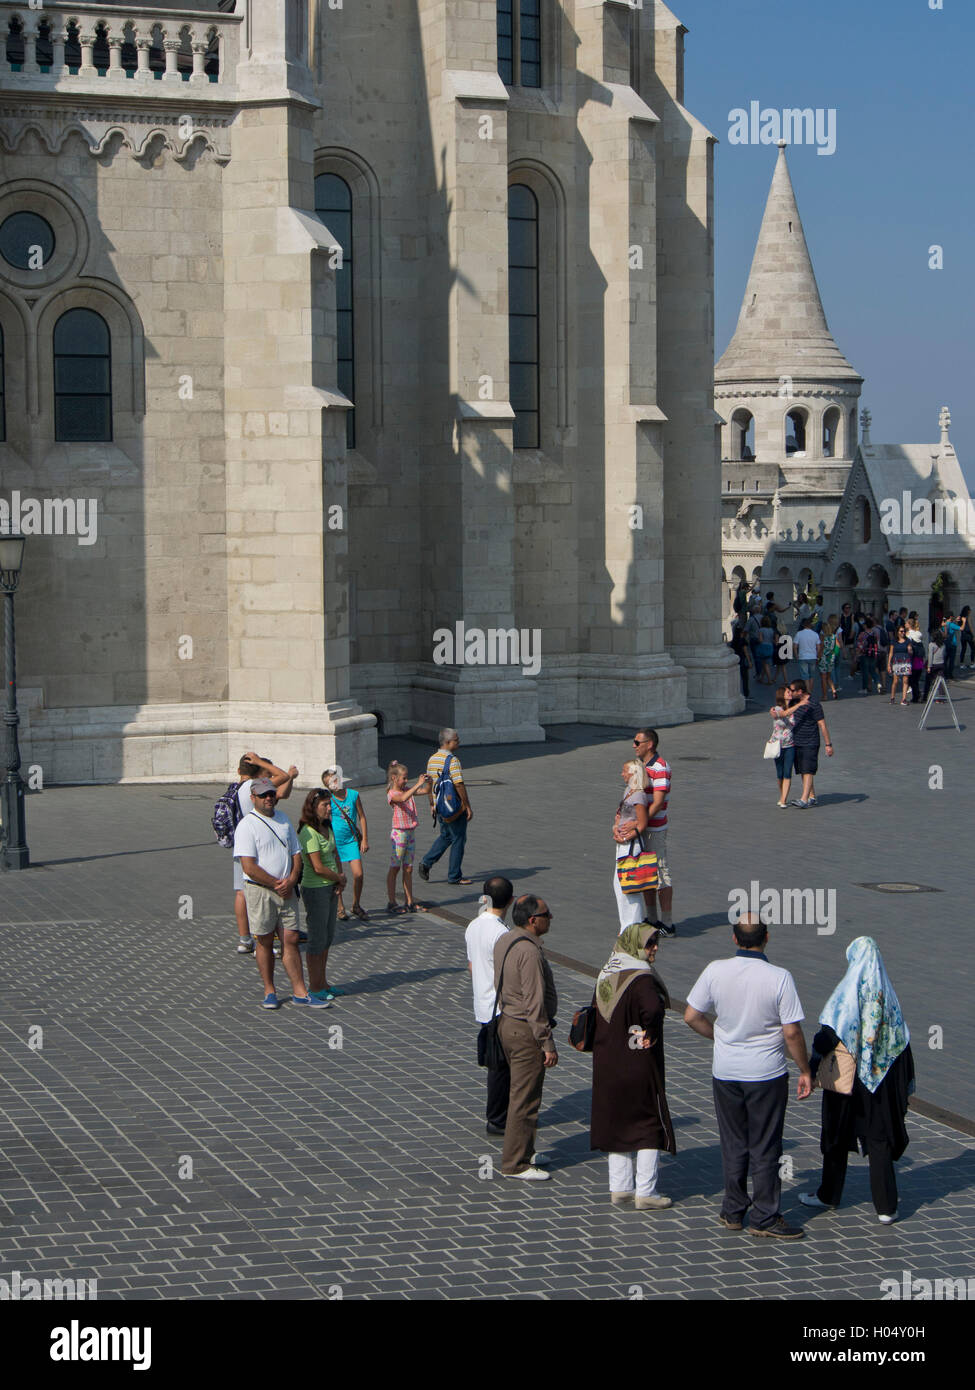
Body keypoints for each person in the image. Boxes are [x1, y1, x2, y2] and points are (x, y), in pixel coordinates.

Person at [684, 914, 811, 1239]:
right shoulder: (779, 977)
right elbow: (792, 1032)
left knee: (733, 1142)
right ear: (766, 937)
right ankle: (765, 1216)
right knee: (765, 1145)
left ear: (734, 938)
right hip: (766, 1074)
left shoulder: (715, 970)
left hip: (726, 1072)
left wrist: (718, 1037)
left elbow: (691, 1015)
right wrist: (805, 1069)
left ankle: (733, 1210)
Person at [799, 937, 915, 1225]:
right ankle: (886, 1207)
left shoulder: (847, 992)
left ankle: (829, 1194)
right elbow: (902, 1043)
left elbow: (829, 1034)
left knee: (836, 1135)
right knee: (879, 1141)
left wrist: (811, 1068)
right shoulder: (888, 998)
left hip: (846, 1080)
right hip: (880, 1082)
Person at [590, 925, 675, 1209]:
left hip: (607, 1060)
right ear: (637, 945)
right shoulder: (641, 978)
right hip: (636, 1061)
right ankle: (646, 1192)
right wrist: (648, 1032)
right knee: (647, 1122)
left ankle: (620, 1187)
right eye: (650, 944)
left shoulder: (608, 969)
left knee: (617, 1120)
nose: (655, 948)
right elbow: (651, 1008)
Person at [233, 780, 327, 1009]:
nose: (269, 798)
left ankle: (300, 991)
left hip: (287, 890)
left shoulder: (284, 818)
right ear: (253, 797)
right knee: (264, 940)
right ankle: (269, 990)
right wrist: (276, 883)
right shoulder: (247, 825)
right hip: (261, 890)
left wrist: (293, 878)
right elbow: (248, 866)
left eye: (272, 794)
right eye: (264, 795)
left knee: (291, 939)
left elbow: (296, 853)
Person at [494, 894, 558, 1180]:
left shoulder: (506, 939)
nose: (550, 918)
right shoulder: (530, 952)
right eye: (546, 914)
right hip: (525, 1031)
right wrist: (546, 1042)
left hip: (507, 1022)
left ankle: (526, 1149)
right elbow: (534, 1002)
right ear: (533, 920)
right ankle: (515, 1163)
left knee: (526, 1093)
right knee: (523, 1097)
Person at [233, 753, 297, 954]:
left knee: (242, 893)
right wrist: (262, 763)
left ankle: (245, 939)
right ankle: (268, 941)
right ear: (261, 775)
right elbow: (283, 777)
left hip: (242, 846)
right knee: (266, 895)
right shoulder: (251, 789)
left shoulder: (237, 788)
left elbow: (282, 793)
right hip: (258, 847)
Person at [465, 876, 514, 1136]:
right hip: (501, 1007)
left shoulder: (473, 926)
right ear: (511, 901)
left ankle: (499, 1115)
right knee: (502, 1068)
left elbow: (473, 966)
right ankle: (498, 1118)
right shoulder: (502, 932)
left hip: (482, 1004)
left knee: (497, 1065)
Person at [296, 789, 345, 1002]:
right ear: (313, 807)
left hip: (331, 886)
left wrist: (339, 878)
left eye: (329, 805)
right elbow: (317, 867)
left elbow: (334, 854)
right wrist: (338, 877)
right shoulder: (308, 832)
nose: (328, 808)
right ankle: (315, 986)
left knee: (327, 937)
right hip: (316, 889)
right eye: (324, 805)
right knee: (316, 939)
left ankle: (323, 983)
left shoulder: (327, 827)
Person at [629, 729, 676, 937]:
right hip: (642, 827)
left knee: (660, 873)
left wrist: (642, 822)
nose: (634, 745)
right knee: (647, 874)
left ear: (650, 744)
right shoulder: (640, 766)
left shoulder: (661, 767)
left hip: (654, 829)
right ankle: (652, 918)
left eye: (637, 742)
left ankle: (667, 922)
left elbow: (657, 802)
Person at [418, 728, 473, 886]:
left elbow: (430, 783)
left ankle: (426, 863)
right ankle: (454, 875)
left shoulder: (432, 759)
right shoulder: (453, 760)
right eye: (456, 739)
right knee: (458, 838)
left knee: (446, 836)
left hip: (440, 807)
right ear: (448, 743)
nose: (459, 742)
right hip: (454, 807)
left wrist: (432, 804)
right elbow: (459, 784)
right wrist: (467, 805)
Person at [779, 679, 833, 808]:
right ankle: (812, 796)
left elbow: (822, 725)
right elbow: (783, 711)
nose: (790, 693)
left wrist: (828, 744)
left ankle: (804, 800)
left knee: (808, 770)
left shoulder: (814, 704)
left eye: (792, 690)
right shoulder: (795, 701)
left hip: (810, 741)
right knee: (803, 770)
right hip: (796, 741)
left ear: (800, 691)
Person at [323, 769, 369, 920]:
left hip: (351, 841)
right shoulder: (329, 800)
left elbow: (362, 817)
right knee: (338, 876)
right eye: (330, 783)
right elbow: (325, 820)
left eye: (335, 780)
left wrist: (364, 839)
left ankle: (356, 905)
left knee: (359, 874)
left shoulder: (353, 795)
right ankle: (340, 906)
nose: (334, 785)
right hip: (336, 842)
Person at [384, 761, 430, 913]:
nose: (406, 781)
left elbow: (425, 791)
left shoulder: (406, 789)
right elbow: (403, 798)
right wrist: (418, 784)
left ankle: (409, 901)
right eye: (403, 778)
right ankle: (391, 902)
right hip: (399, 834)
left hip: (410, 832)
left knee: (408, 868)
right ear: (394, 778)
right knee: (395, 867)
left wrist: (429, 782)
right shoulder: (392, 793)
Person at [612, 759, 650, 932]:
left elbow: (642, 823)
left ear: (634, 773)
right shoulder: (628, 791)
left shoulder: (638, 796)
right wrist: (616, 828)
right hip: (623, 843)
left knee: (630, 887)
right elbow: (620, 815)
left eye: (625, 771)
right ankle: (626, 925)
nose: (622, 774)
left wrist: (628, 836)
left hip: (631, 845)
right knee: (620, 885)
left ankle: (632, 926)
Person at [769, 686, 795, 809]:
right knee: (780, 774)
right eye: (788, 692)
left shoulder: (794, 708)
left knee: (787, 772)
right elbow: (781, 715)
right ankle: (782, 795)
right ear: (782, 695)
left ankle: (784, 799)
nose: (790, 694)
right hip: (777, 745)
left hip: (790, 745)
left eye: (791, 692)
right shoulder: (777, 708)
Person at [887, 624, 914, 706]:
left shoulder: (908, 640)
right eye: (901, 631)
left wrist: (910, 650)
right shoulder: (894, 641)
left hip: (906, 661)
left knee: (905, 681)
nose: (903, 633)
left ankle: (904, 699)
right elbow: (891, 653)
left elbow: (911, 652)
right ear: (898, 632)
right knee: (895, 681)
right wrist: (889, 664)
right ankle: (892, 697)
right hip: (897, 661)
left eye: (904, 631)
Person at [855, 616, 881, 696]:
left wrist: (857, 655)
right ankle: (878, 682)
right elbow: (877, 643)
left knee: (865, 672)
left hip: (864, 654)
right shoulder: (875, 633)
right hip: (873, 653)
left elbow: (860, 645)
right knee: (872, 670)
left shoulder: (862, 634)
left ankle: (864, 688)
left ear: (865, 625)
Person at [729, 614, 753, 699]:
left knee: (736, 678)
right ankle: (746, 694)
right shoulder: (743, 641)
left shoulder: (733, 642)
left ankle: (735, 692)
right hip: (743, 660)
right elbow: (746, 651)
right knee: (745, 678)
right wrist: (749, 661)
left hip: (736, 660)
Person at [817, 615, 839, 701]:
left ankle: (825, 695)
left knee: (823, 678)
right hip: (831, 657)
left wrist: (818, 657)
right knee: (829, 677)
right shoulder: (833, 636)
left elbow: (821, 648)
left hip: (823, 658)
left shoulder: (823, 637)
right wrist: (834, 652)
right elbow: (838, 646)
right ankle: (834, 690)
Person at [794, 618, 820, 685]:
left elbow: (795, 647)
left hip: (802, 656)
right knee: (811, 676)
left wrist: (796, 656)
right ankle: (810, 692)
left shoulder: (799, 634)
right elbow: (818, 647)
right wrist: (818, 657)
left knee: (805, 676)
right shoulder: (815, 634)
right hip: (813, 656)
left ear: (803, 625)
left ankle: (807, 692)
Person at [906, 613, 925, 704]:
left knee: (912, 680)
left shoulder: (909, 635)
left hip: (912, 660)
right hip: (920, 660)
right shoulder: (919, 634)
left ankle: (917, 696)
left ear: (909, 625)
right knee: (916, 680)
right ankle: (917, 695)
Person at [924, 628, 946, 701]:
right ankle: (942, 698)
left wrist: (929, 667)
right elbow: (943, 654)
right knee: (941, 682)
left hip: (934, 665)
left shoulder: (931, 644)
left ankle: (925, 697)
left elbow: (930, 656)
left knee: (928, 681)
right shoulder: (943, 644)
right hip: (941, 664)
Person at [756, 614, 775, 685]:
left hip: (763, 647)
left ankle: (769, 680)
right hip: (770, 646)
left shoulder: (761, 630)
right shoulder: (771, 630)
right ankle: (761, 678)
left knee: (765, 664)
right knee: (765, 663)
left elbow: (760, 640)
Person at [943, 612, 960, 680]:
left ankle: (945, 674)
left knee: (945, 659)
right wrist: (964, 622)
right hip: (952, 644)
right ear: (950, 617)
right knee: (951, 660)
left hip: (945, 644)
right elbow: (961, 628)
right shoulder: (951, 624)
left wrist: (955, 620)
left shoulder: (943, 624)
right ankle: (950, 675)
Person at [958, 605, 974, 670]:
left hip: (963, 635)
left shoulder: (960, 617)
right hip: (968, 635)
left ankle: (961, 663)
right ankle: (972, 663)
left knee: (963, 649)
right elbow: (970, 627)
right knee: (973, 648)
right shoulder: (968, 617)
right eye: (969, 610)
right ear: (968, 611)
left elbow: (958, 624)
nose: (970, 611)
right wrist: (973, 635)